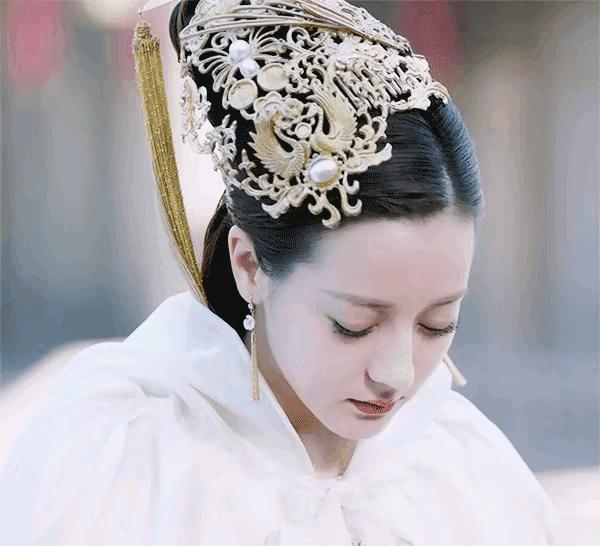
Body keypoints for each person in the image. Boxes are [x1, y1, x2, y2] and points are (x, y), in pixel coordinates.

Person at [0, 1, 558, 544]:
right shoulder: (129, 459)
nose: (397, 374)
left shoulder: (462, 465)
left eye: (437, 325)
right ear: (250, 266)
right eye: (355, 324)